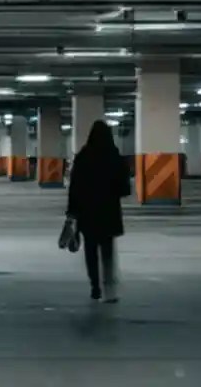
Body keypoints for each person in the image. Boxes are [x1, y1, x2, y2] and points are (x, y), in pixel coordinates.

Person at [66, 119, 131, 302]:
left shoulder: (83, 157)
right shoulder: (114, 156)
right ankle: (109, 287)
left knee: (90, 250)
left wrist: (72, 212)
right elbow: (124, 189)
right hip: (108, 212)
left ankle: (94, 285)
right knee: (108, 252)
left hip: (87, 213)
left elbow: (75, 188)